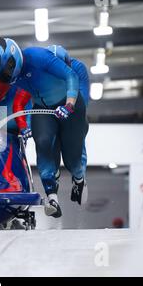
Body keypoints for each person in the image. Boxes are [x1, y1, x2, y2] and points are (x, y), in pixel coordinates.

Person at [0, 37, 89, 218]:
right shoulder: (7, 74)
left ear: (13, 56)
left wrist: (69, 104)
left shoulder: (38, 57)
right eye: (2, 73)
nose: (6, 75)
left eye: (7, 70)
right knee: (43, 142)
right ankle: (51, 196)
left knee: (72, 154)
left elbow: (71, 76)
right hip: (42, 108)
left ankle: (79, 177)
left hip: (70, 106)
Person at [46, 45, 90, 184]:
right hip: (51, 110)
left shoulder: (78, 68)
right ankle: (52, 170)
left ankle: (79, 175)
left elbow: (83, 100)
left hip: (71, 109)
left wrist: (69, 108)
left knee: (77, 133)